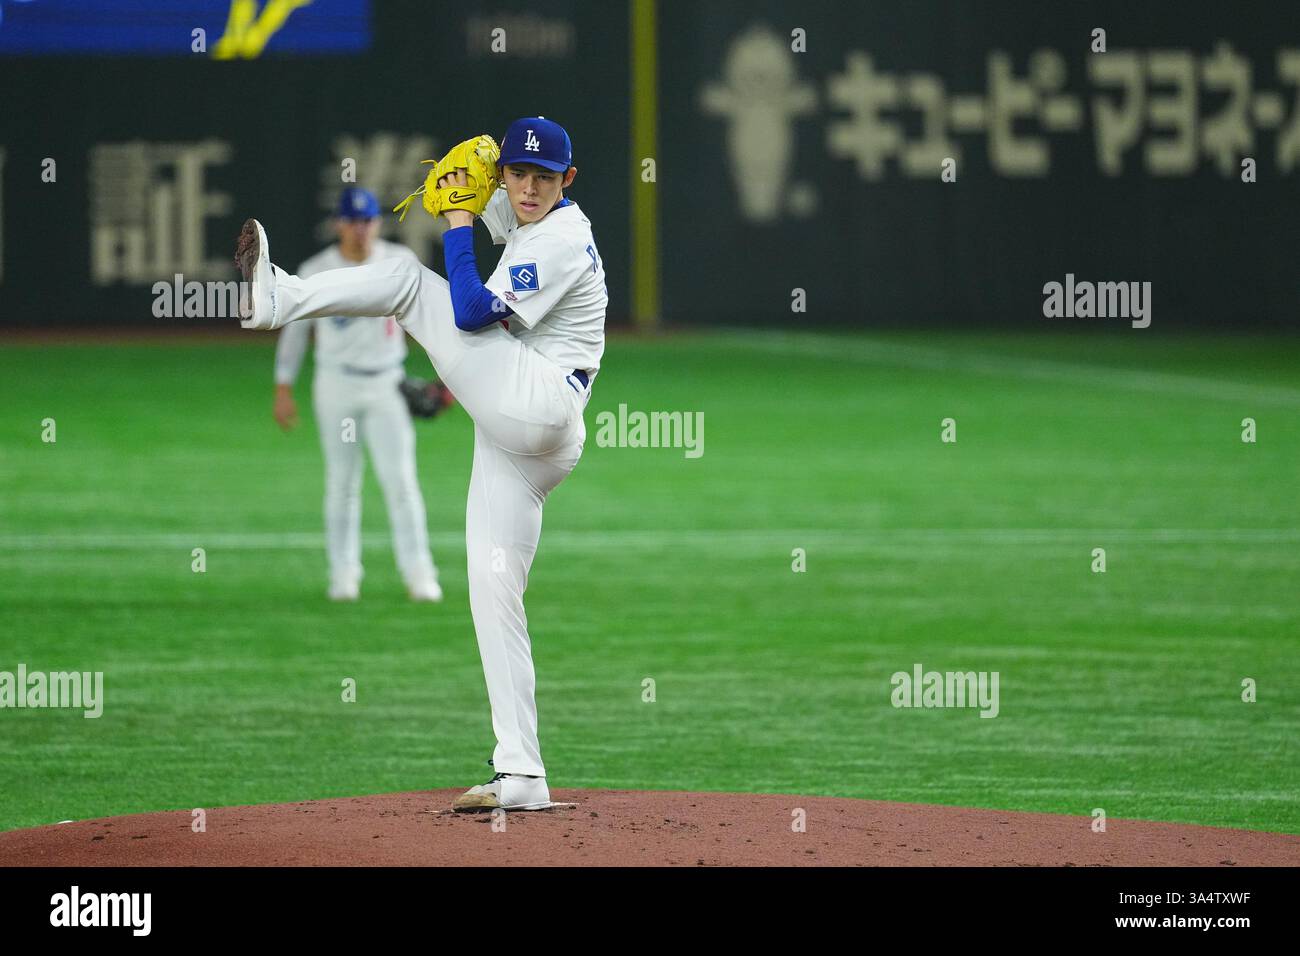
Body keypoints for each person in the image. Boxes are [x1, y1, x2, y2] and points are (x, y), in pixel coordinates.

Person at [236, 118, 607, 811]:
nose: (527, 188)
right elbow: (481, 202)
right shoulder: (530, 213)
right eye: (519, 173)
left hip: (540, 405)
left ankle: (279, 298)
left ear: (569, 181)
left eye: (544, 177)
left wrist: (460, 219)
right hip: (524, 433)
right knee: (492, 593)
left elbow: (468, 311)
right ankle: (522, 772)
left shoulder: (560, 238)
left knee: (408, 279)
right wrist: (468, 196)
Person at [271, 186, 444, 604]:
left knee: (400, 481)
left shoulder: (400, 263)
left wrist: (447, 373)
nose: (360, 230)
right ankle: (344, 572)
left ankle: (419, 571)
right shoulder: (317, 269)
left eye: (367, 221)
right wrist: (283, 385)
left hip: (388, 382)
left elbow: (431, 321)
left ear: (377, 224)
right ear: (338, 225)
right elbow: (295, 332)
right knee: (343, 483)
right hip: (336, 384)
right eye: (352, 221)